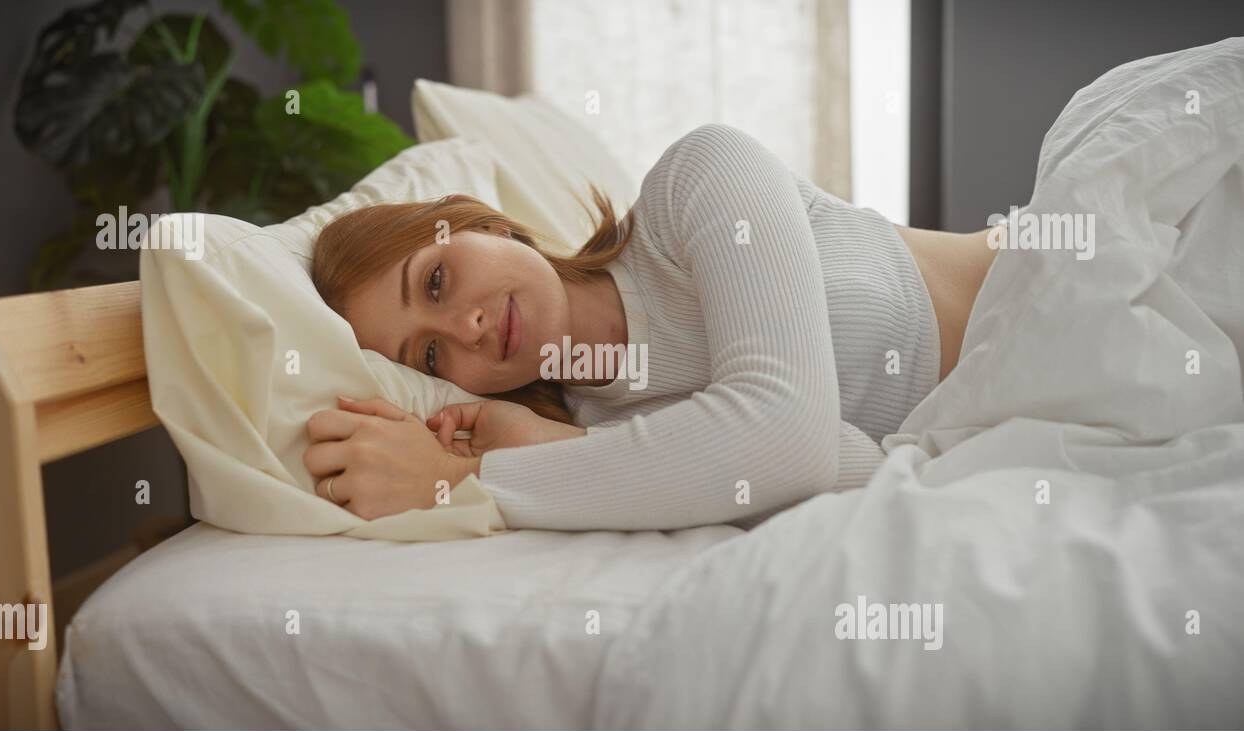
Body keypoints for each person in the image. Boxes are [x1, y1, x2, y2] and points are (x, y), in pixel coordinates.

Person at [306, 124, 998, 530]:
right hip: (1031, 423)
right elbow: (859, 472)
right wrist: (564, 443)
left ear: (479, 222)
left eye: (435, 279)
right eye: (429, 356)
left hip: (1059, 290)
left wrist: (471, 476)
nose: (467, 325)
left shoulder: (697, 180)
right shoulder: (598, 441)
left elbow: (789, 435)